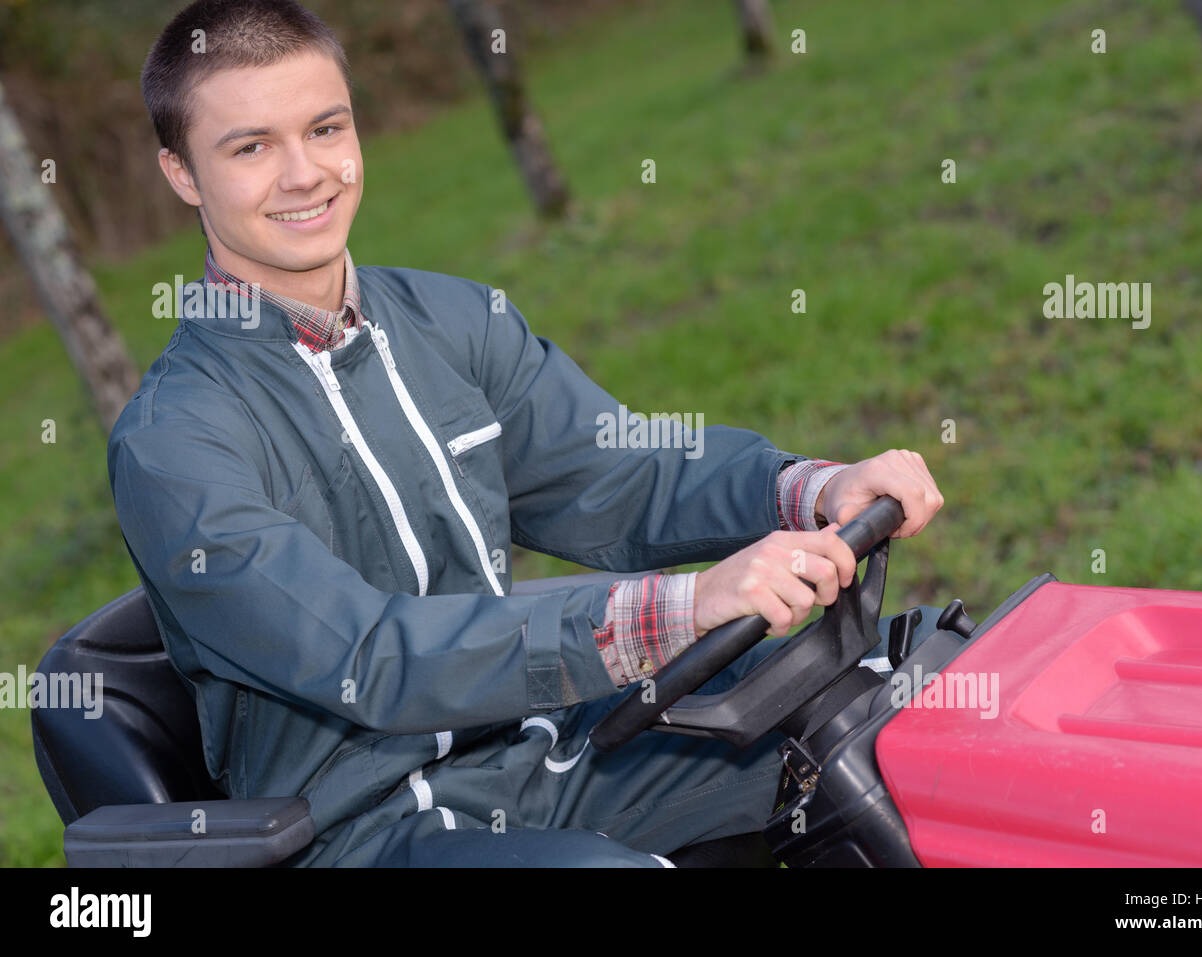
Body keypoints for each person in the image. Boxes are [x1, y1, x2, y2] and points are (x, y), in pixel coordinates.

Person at [110, 0, 945, 868]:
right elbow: (370, 653)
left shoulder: (454, 319)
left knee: (915, 691)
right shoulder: (173, 441)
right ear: (180, 172)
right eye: (251, 148)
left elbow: (625, 473)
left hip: (551, 748)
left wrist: (810, 488)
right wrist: (688, 606)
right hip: (361, 829)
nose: (304, 174)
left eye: (325, 127)